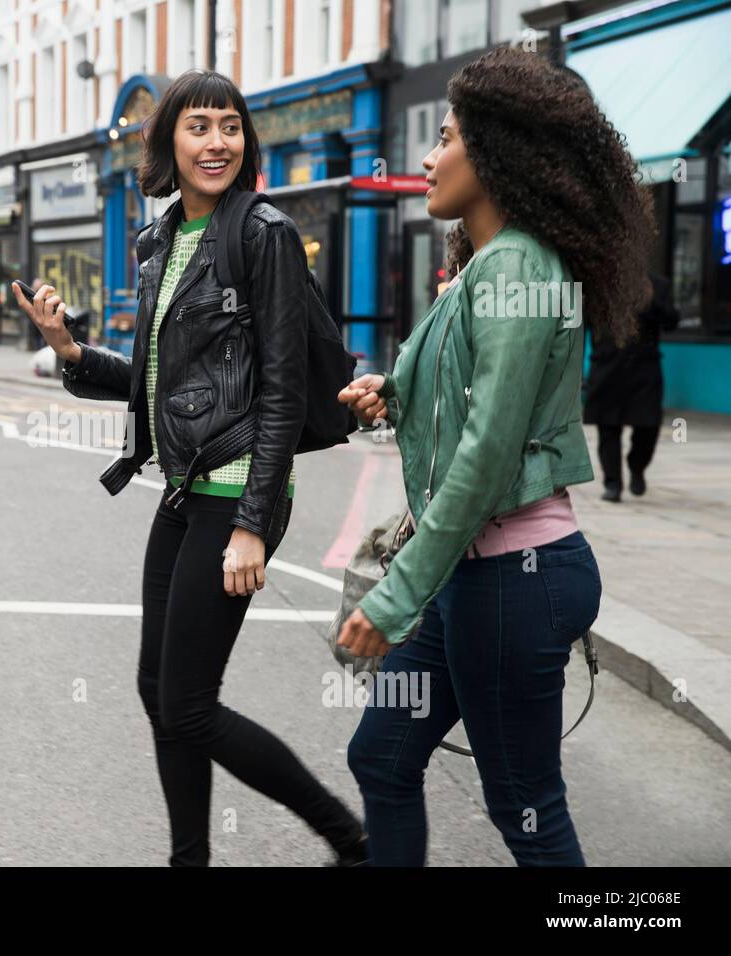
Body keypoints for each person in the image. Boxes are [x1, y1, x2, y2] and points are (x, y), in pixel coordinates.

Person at [12, 68, 367, 868]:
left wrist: (250, 527)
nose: (217, 142)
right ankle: (191, 859)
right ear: (168, 140)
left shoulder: (264, 233)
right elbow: (156, 378)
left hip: (239, 492)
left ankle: (352, 839)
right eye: (199, 126)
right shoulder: (161, 241)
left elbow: (279, 390)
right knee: (158, 693)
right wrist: (71, 352)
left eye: (231, 126)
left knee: (190, 706)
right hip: (184, 491)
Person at [336, 47, 655, 866]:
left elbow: (487, 451)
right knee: (381, 755)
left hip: (512, 578)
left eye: (444, 138)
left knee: (526, 809)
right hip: (475, 577)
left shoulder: (516, 264)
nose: (428, 156)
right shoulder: (488, 267)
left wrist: (397, 593)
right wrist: (393, 393)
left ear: (497, 152)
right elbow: (471, 394)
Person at [583, 272, 679, 501]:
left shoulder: (657, 284)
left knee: (649, 426)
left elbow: (672, 322)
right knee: (608, 428)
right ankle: (613, 483)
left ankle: (637, 467)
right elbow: (579, 323)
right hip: (606, 366)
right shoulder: (597, 284)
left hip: (644, 368)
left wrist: (651, 299)